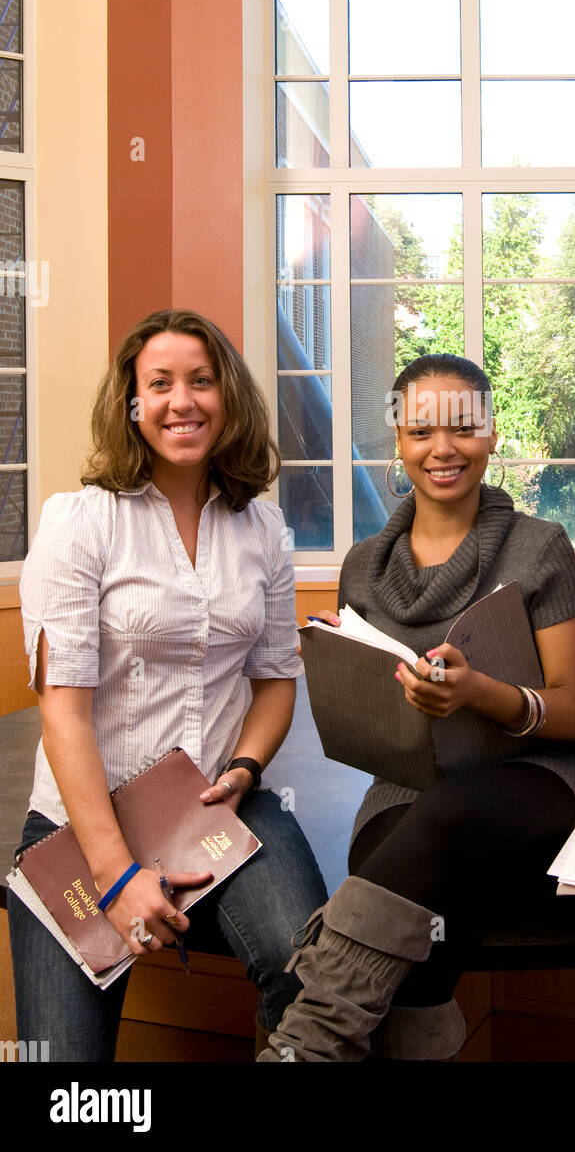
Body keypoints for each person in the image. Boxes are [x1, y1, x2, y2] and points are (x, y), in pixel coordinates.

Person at [8, 308, 328, 1061]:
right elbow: (63, 715)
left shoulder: (262, 530)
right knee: (64, 1076)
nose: (181, 401)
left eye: (201, 381)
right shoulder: (79, 522)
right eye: (159, 384)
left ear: (229, 399)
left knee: (314, 975)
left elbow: (277, 679)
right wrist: (117, 877)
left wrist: (245, 767)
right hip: (80, 828)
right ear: (131, 403)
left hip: (217, 807)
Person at [259, 353, 575, 1062]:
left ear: (492, 433)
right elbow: (361, 726)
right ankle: (381, 1039)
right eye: (420, 431)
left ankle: (305, 1039)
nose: (442, 448)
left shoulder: (540, 547)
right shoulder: (362, 567)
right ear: (398, 443)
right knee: (406, 927)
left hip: (534, 784)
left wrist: (480, 694)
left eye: (462, 427)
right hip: (405, 790)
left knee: (445, 818)